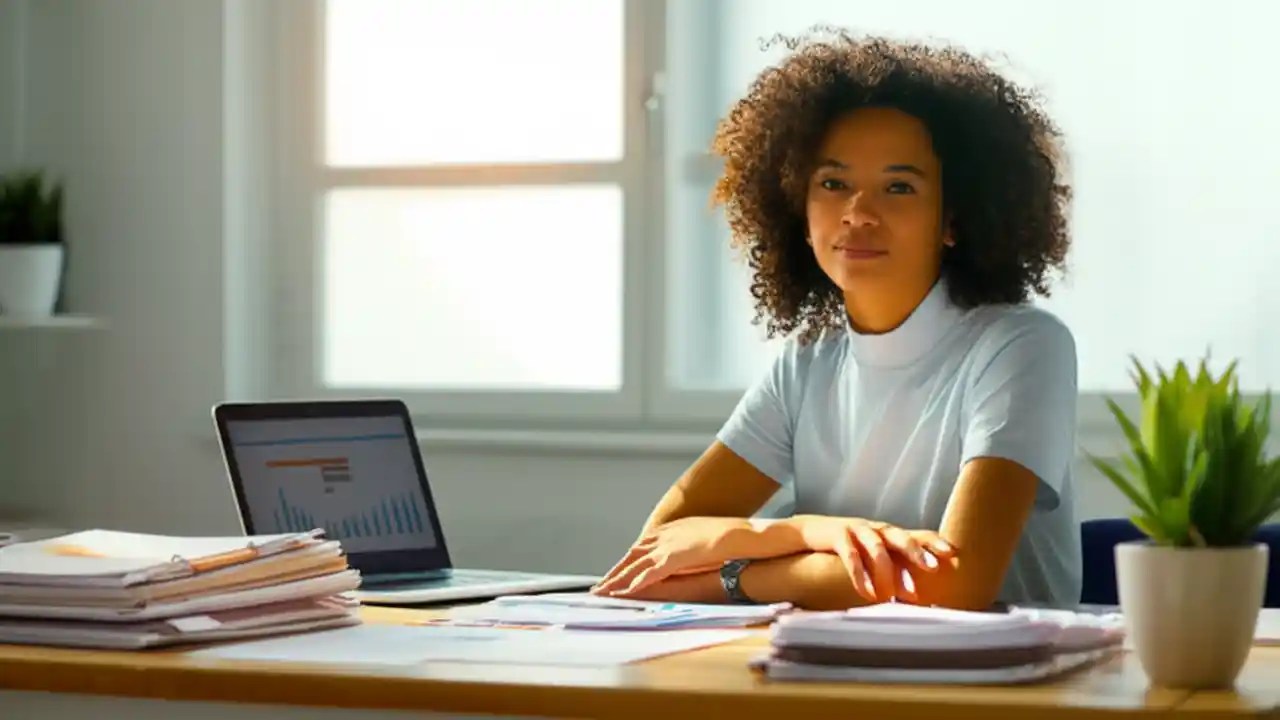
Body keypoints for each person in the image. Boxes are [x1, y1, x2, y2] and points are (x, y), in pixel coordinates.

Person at [592, 31, 1080, 611]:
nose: (859, 213)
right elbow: (658, 551)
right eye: (833, 184)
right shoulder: (807, 360)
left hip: (994, 690)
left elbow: (952, 585)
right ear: (799, 211)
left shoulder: (1021, 346)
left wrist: (729, 575)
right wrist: (806, 532)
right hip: (826, 674)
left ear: (953, 218)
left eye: (899, 187)